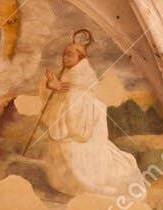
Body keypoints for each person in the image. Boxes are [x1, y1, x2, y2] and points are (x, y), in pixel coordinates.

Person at [41, 41, 144, 197]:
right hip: (71, 121)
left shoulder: (83, 74)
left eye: (70, 54)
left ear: (80, 57)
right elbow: (59, 92)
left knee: (78, 153)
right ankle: (64, 183)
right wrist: (51, 86)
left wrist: (57, 87)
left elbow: (76, 97)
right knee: (63, 149)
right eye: (64, 54)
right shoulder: (68, 72)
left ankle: (85, 183)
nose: (64, 57)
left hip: (84, 124)